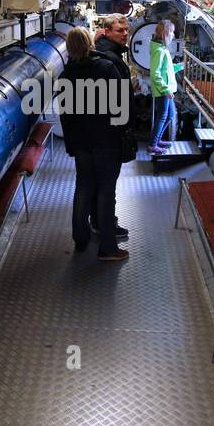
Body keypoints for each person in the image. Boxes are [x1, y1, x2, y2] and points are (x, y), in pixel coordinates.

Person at [58, 27, 130, 262]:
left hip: (81, 143)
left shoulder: (66, 76)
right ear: (90, 43)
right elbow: (122, 105)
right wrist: (122, 132)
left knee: (83, 188)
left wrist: (70, 143)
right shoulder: (106, 67)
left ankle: (81, 237)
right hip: (106, 140)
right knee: (106, 192)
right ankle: (108, 248)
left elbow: (65, 116)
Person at [148, 19, 183, 155]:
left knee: (170, 115)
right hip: (163, 90)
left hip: (166, 89)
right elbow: (155, 74)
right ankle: (153, 145)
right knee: (162, 117)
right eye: (172, 32)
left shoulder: (162, 48)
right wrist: (165, 89)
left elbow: (166, 70)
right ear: (165, 34)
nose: (173, 35)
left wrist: (180, 66)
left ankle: (157, 140)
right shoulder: (159, 50)